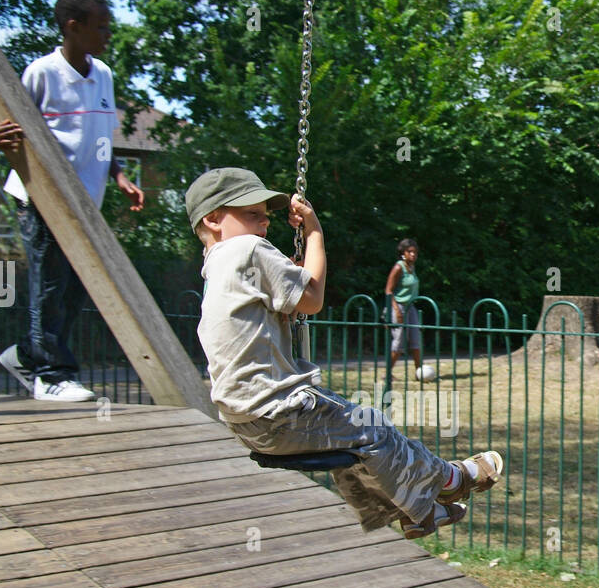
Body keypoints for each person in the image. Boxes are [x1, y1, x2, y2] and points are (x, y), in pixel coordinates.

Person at [187, 167, 503, 539]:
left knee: (353, 445)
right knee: (371, 425)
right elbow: (313, 298)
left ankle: (419, 513)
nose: (264, 226)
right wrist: (315, 230)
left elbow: (284, 305)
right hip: (278, 409)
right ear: (213, 218)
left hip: (244, 421)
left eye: (266, 217)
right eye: (252, 215)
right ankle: (452, 478)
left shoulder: (216, 267)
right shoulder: (248, 249)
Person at [0, 0, 144, 401]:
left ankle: (25, 355)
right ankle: (51, 377)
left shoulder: (103, 74)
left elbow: (98, 136)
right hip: (42, 197)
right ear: (73, 27)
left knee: (75, 288)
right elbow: (7, 125)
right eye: (101, 28)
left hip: (84, 202)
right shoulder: (42, 73)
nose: (108, 36)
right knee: (51, 285)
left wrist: (119, 176)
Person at [385, 237, 424, 373]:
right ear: (403, 252)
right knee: (399, 342)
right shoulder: (398, 267)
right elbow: (389, 291)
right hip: (398, 306)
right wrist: (396, 311)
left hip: (410, 306)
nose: (413, 254)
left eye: (415, 252)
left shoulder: (412, 267)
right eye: (410, 251)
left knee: (415, 339)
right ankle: (387, 374)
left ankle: (420, 372)